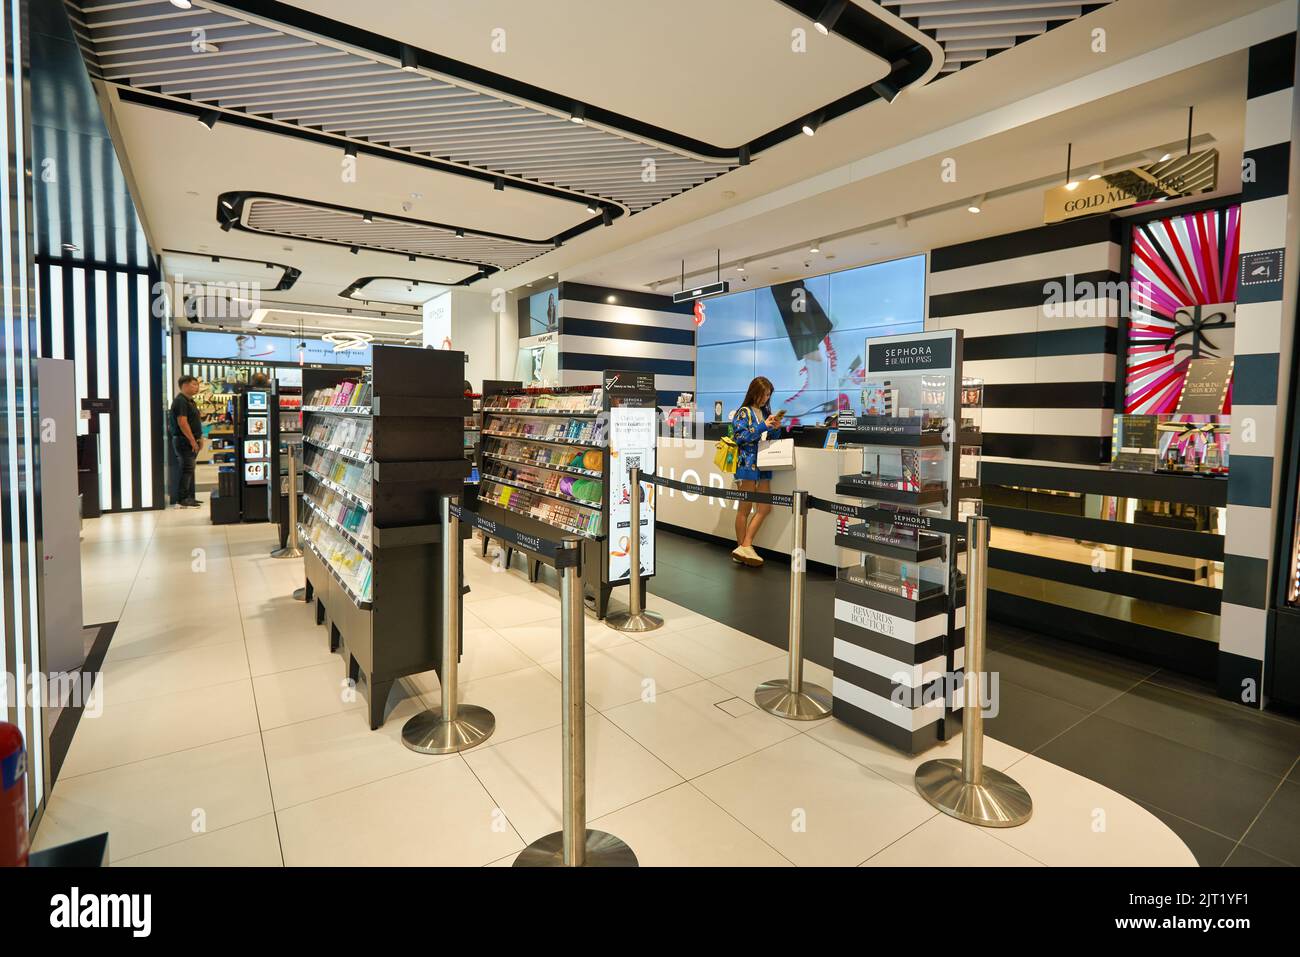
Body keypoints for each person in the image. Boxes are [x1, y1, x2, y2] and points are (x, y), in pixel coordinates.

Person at [730, 375, 784, 567]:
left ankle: (745, 545)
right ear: (754, 392)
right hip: (747, 466)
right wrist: (763, 425)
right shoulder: (743, 412)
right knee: (744, 509)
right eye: (763, 394)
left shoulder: (764, 411)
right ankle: (742, 548)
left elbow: (767, 437)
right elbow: (740, 437)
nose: (766, 398)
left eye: (768, 395)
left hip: (763, 464)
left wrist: (776, 428)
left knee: (765, 507)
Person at [170, 375, 204, 508]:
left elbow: (195, 422)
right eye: (194, 384)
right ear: (184, 385)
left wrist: (199, 438)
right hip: (184, 441)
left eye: (197, 385)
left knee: (189, 469)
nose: (197, 387)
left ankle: (189, 497)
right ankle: (182, 498)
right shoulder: (180, 401)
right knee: (187, 469)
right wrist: (192, 440)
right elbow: (182, 422)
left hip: (191, 440)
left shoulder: (190, 401)